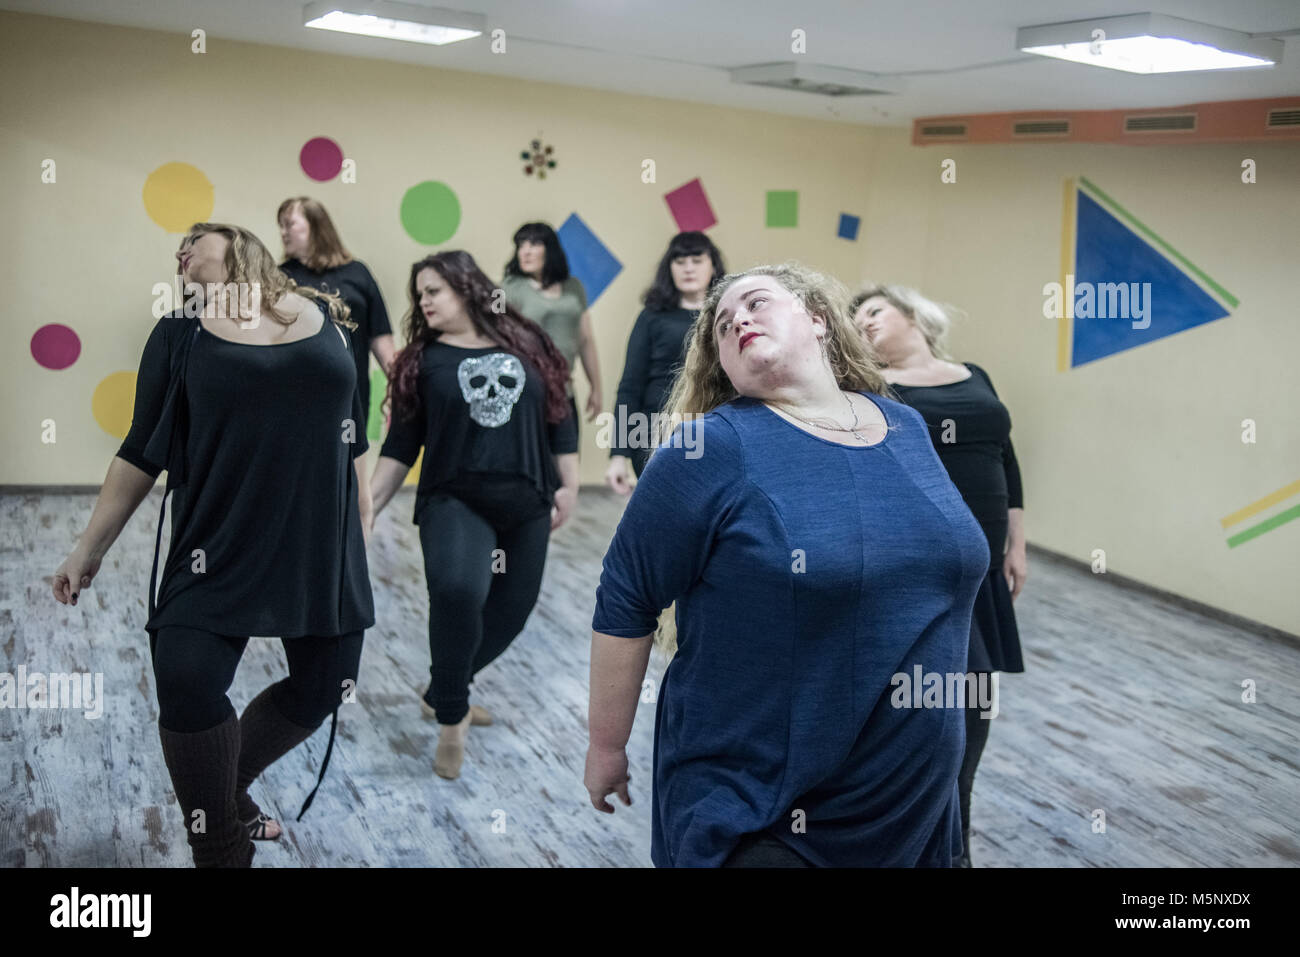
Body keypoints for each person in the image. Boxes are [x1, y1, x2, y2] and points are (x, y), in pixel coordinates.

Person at [583, 263, 990, 867]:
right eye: (722, 326)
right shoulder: (708, 450)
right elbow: (626, 598)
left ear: (819, 319)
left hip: (916, 807)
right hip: (770, 806)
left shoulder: (904, 425)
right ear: (723, 365)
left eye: (755, 303)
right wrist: (606, 745)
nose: (738, 320)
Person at [51, 223, 375, 867]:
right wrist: (87, 548)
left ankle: (227, 790)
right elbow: (141, 450)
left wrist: (361, 532)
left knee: (326, 686)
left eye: (194, 239)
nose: (180, 252)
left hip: (317, 545)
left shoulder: (327, 319)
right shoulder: (180, 335)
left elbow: (354, 438)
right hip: (217, 542)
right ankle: (220, 844)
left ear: (240, 245)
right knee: (187, 679)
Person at [369, 250, 579, 779]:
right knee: (460, 591)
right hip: (453, 498)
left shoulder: (528, 344)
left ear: (465, 288)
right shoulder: (423, 360)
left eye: (433, 290)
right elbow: (400, 444)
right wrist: (369, 505)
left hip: (526, 498)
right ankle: (452, 717)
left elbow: (561, 413)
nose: (424, 301)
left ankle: (443, 689)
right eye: (419, 294)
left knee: (511, 609)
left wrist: (570, 483)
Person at [852, 284, 1027, 868]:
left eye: (873, 310)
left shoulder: (973, 373)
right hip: (925, 565)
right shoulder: (874, 388)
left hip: (986, 564)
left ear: (913, 314)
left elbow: (1006, 457)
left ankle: (952, 840)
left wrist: (1016, 543)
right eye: (856, 319)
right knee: (952, 701)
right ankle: (929, 846)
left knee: (973, 706)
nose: (864, 322)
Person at [605, 231, 725, 494]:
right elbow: (630, 386)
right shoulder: (651, 316)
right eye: (680, 261)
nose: (688, 268)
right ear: (669, 268)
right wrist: (618, 455)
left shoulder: (726, 315)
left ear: (713, 265)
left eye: (696, 260)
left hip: (712, 431)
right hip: (653, 432)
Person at [278, 196, 395, 422]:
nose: (283, 232)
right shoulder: (280, 277)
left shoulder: (358, 272)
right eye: (280, 226)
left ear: (317, 225)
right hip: (298, 393)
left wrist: (400, 387)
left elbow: (380, 337)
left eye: (289, 224)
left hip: (353, 393)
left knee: (352, 454)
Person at [500, 222, 601, 435]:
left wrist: (596, 387)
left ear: (550, 249)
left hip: (564, 391)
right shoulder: (506, 287)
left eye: (534, 244)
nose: (525, 251)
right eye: (521, 245)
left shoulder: (574, 287)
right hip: (527, 392)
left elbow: (585, 340)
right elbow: (490, 333)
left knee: (568, 461)